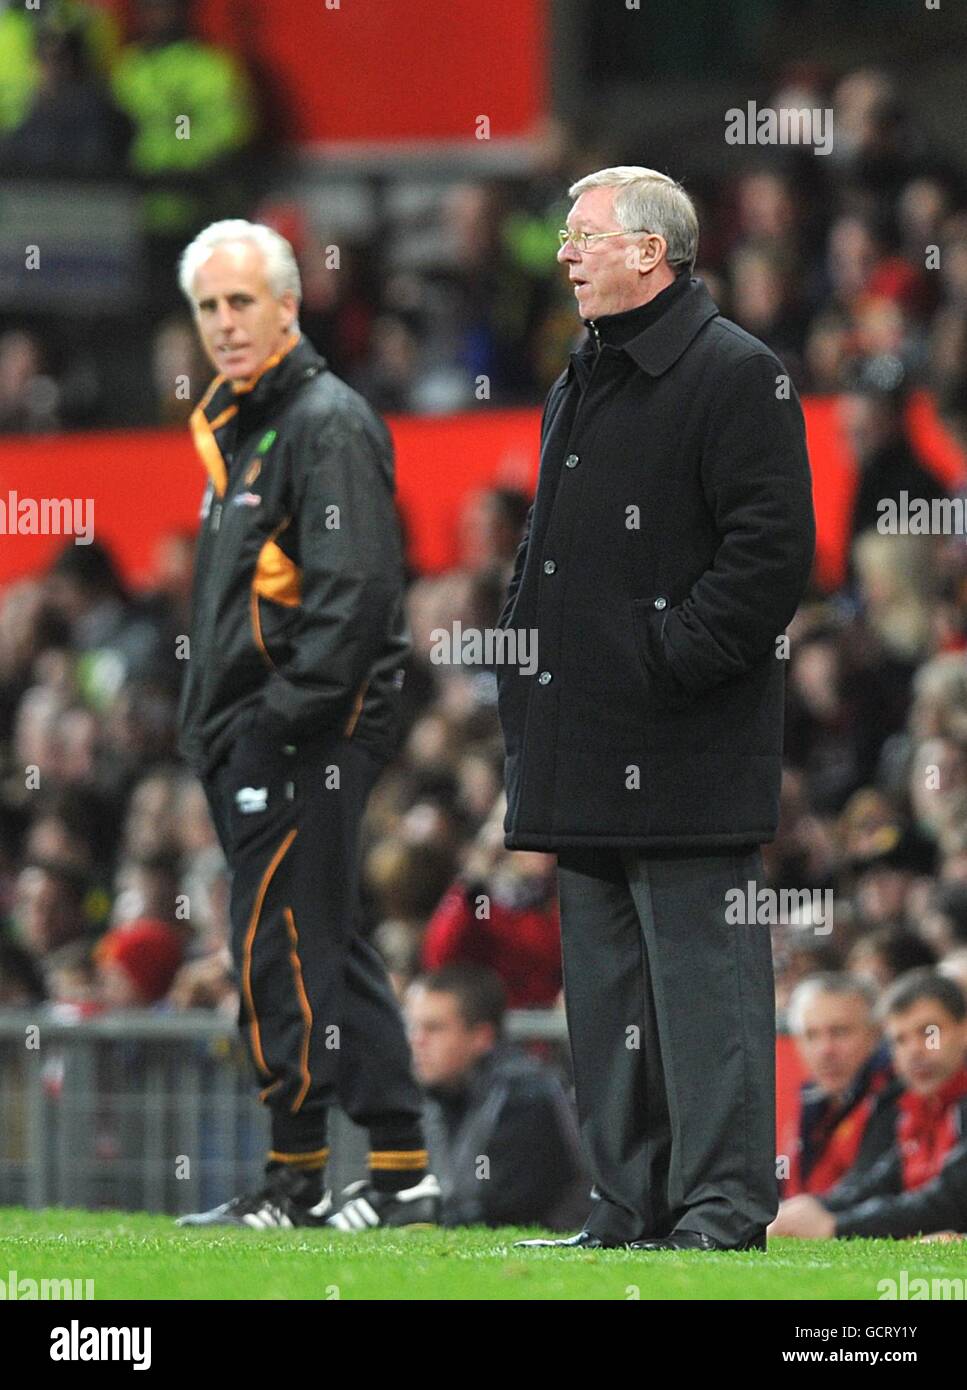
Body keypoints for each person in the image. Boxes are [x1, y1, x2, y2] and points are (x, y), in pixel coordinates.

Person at [496, 166, 816, 1251]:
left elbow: (770, 557)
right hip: (581, 746)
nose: (564, 253)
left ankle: (721, 1209)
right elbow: (547, 550)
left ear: (651, 252)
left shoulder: (735, 373)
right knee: (607, 1001)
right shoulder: (580, 377)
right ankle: (627, 1207)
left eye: (583, 235)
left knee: (702, 995)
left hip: (686, 749)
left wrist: (662, 660)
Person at [173, 219, 439, 1230]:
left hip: (303, 731)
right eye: (208, 307)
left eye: (242, 301)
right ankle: (403, 1171)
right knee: (325, 940)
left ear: (289, 304)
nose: (225, 324)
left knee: (272, 945)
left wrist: (275, 723)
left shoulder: (320, 420)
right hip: (271, 724)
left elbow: (357, 592)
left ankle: (292, 1181)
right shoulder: (248, 426)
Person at [771, 970, 967, 1239]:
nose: (915, 1050)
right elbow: (876, 1184)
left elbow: (951, 1200)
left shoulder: (893, 1103)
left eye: (928, 1032)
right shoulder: (917, 1108)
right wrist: (807, 1209)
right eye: (900, 1039)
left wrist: (837, 1226)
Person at [398, 965, 585, 1229]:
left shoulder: (527, 1095)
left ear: (481, 1036)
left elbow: (504, 1207)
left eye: (434, 1028)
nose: (417, 1041)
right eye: (411, 1026)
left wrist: (411, 1214)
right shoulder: (434, 1094)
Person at [784, 973, 899, 1197]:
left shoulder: (896, 1100)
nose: (825, 1050)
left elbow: (865, 1193)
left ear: (876, 1035)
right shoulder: (809, 1102)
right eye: (811, 1035)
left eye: (839, 1032)